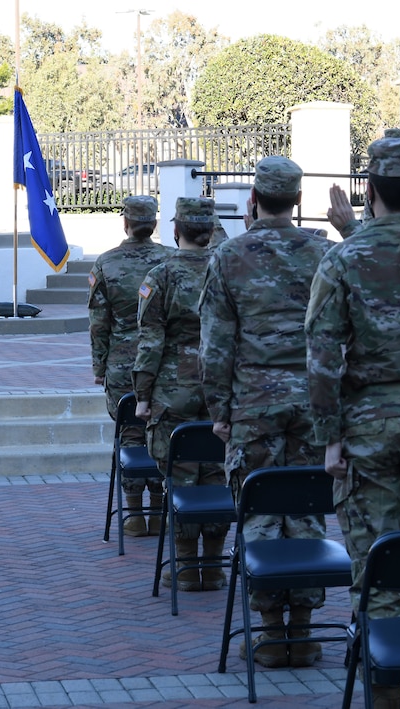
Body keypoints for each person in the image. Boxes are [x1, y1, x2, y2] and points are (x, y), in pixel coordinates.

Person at [305, 138, 400, 709]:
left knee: (378, 566)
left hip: (367, 427)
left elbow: (322, 355)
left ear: (368, 191)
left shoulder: (342, 257)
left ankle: (384, 698)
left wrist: (330, 439)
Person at [198, 155, 331, 669]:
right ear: (298, 201)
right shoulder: (326, 252)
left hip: (253, 402)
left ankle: (272, 632)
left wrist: (220, 410)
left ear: (253, 200)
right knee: (306, 510)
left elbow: (215, 344)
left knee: (259, 512)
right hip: (314, 403)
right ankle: (304, 629)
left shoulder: (230, 255)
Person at [133, 197, 227, 592]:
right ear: (210, 231)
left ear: (175, 230)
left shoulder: (161, 275)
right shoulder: (228, 269)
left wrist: (142, 395)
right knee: (220, 475)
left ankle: (187, 566)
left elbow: (151, 341)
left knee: (183, 477)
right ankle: (215, 564)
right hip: (222, 387)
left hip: (175, 392)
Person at [88, 196, 172, 537]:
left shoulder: (107, 263)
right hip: (166, 366)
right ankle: (157, 511)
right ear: (154, 223)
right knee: (162, 433)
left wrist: (99, 366)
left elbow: (98, 323)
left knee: (130, 435)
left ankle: (134, 514)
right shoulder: (170, 261)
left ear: (125, 222)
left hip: (123, 366)